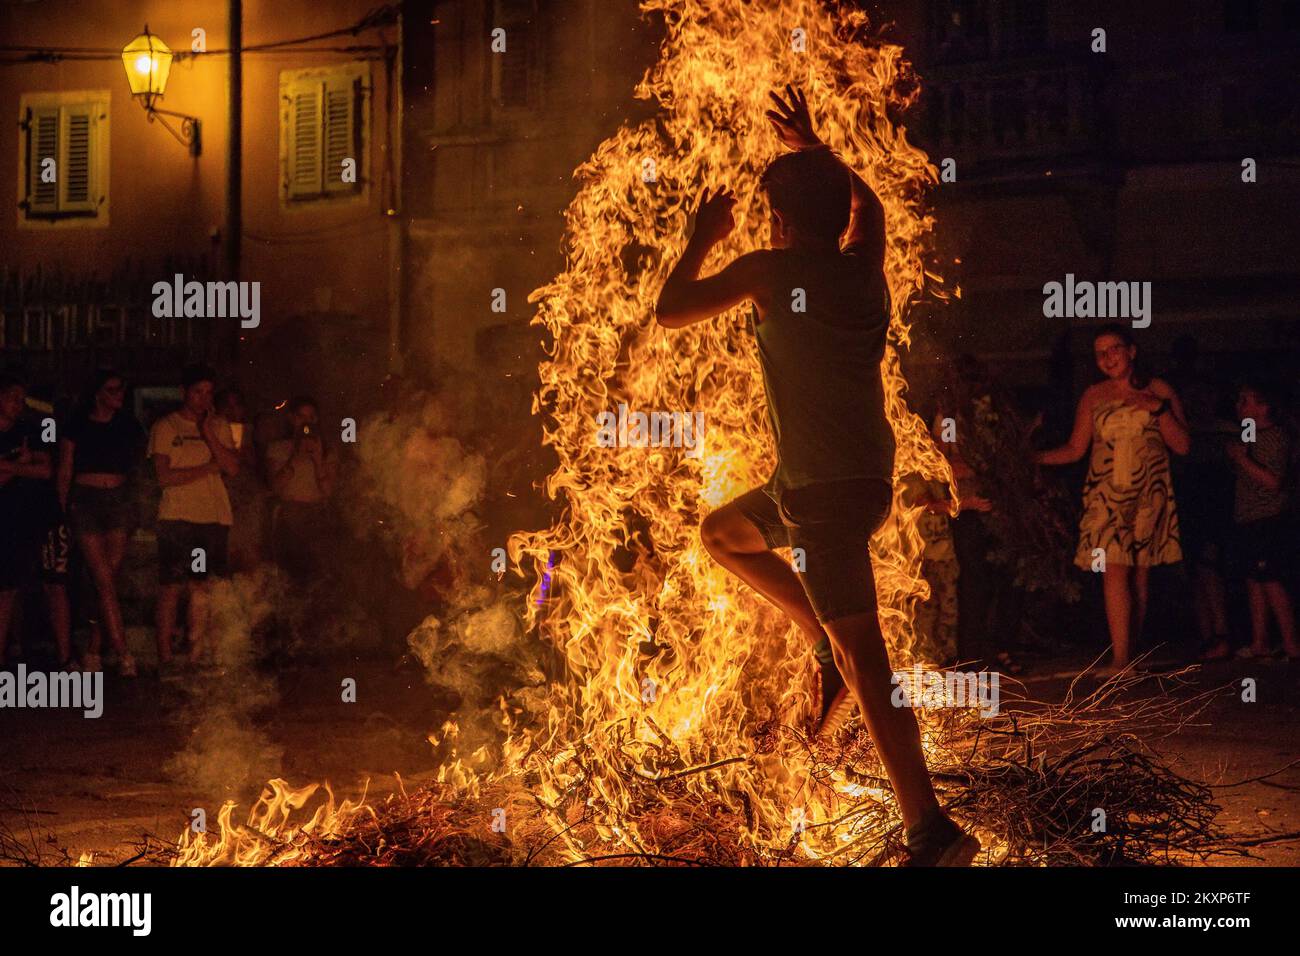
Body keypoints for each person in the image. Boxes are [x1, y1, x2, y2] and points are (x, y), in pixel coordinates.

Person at [654, 85, 978, 866]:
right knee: (724, 532)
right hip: (845, 483)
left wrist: (700, 236)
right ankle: (817, 633)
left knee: (867, 664)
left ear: (779, 219)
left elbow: (670, 309)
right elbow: (876, 215)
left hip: (822, 500)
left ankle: (931, 829)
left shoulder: (768, 269)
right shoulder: (863, 272)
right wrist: (821, 150)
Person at [1037, 325, 1190, 675]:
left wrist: (1158, 409)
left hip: (1148, 495)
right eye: (1100, 353)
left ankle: (1129, 653)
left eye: (1114, 349)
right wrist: (1033, 458)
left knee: (1140, 574)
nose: (1108, 358)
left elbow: (1182, 445)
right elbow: (1076, 449)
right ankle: (1120, 660)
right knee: (1114, 568)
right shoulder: (1094, 395)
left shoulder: (1158, 388)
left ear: (1132, 351)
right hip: (1106, 495)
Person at [148, 363, 240, 672]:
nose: (203, 398)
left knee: (203, 588)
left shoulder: (220, 425)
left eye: (208, 393)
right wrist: (205, 469)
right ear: (184, 392)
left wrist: (208, 434)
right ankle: (165, 658)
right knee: (172, 586)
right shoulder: (166, 427)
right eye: (197, 392)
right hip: (177, 517)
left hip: (212, 518)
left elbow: (232, 468)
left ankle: (196, 655)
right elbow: (164, 477)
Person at [59, 369, 145, 675]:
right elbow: (66, 469)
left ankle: (94, 650)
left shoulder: (129, 425)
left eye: (121, 390)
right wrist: (63, 508)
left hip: (118, 501)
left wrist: (137, 505)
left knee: (107, 578)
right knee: (103, 578)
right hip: (86, 500)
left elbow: (137, 468)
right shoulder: (77, 424)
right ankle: (123, 653)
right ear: (97, 393)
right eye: (112, 390)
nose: (118, 396)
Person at [0, 374, 75, 670]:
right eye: (13, 398)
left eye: (22, 399)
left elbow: (46, 471)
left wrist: (12, 467)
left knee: (55, 584)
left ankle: (66, 657)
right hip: (7, 518)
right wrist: (22, 465)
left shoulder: (34, 427)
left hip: (42, 514)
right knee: (6, 589)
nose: (19, 405)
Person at [1223, 381, 1298, 659]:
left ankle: (1292, 644)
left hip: (1269, 520)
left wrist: (1242, 460)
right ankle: (1260, 642)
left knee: (1271, 579)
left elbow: (1274, 482)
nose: (1238, 405)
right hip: (1249, 518)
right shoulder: (1250, 435)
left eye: (1245, 400)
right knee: (1254, 578)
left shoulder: (1275, 436)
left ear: (1264, 406)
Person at [264, 396, 337, 582]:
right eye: (301, 417)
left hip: (317, 517)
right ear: (292, 418)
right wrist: (296, 454)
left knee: (318, 578)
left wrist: (318, 459)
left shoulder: (327, 450)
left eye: (311, 417)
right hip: (288, 517)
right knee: (288, 578)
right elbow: (275, 486)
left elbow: (328, 491)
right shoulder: (278, 448)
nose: (306, 422)